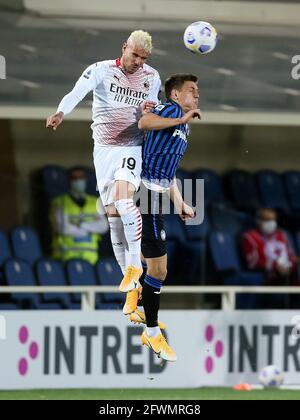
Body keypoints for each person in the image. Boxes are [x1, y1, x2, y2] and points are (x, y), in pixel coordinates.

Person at [46, 31, 161, 293]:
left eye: (144, 58)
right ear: (124, 48)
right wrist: (61, 112)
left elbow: (153, 111)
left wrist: (149, 112)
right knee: (112, 217)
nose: (138, 62)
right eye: (135, 55)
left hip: (132, 148)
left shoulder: (151, 77)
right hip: (104, 150)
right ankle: (132, 288)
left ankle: (135, 264)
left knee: (123, 201)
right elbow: (77, 92)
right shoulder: (100, 70)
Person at [126, 73, 201, 361]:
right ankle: (152, 331)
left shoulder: (183, 128)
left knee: (154, 267)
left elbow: (168, 175)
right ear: (175, 95)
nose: (196, 96)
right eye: (191, 91)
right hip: (142, 193)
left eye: (197, 91)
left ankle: (139, 307)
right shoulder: (171, 111)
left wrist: (181, 203)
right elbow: (144, 122)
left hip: (155, 196)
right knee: (157, 269)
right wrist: (181, 119)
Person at [50, 167, 108, 264]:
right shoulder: (60, 202)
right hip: (65, 258)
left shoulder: (94, 202)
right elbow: (63, 228)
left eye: (81, 178)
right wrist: (91, 226)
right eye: (74, 178)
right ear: (69, 181)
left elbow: (103, 226)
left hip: (91, 258)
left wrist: (80, 225)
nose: (78, 181)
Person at [242, 208, 299, 284]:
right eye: (267, 220)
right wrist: (275, 266)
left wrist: (296, 261)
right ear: (259, 221)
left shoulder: (281, 235)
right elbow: (253, 263)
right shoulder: (250, 237)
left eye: (273, 220)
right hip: (269, 274)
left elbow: (290, 256)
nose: (271, 223)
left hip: (288, 270)